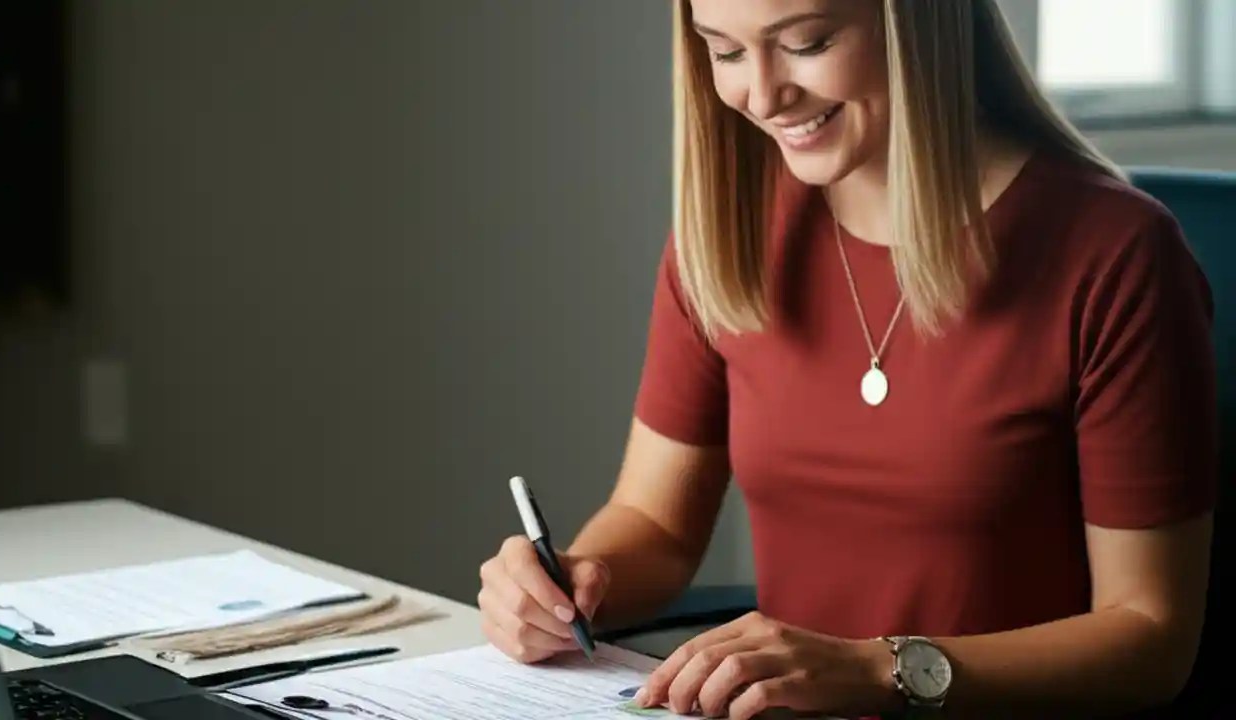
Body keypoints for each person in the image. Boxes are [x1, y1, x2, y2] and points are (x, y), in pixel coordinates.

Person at [476, 0, 1218, 718]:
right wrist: (569, 585)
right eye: (726, 51)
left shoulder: (1114, 255)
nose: (762, 94)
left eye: (807, 42)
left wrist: (879, 669)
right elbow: (655, 525)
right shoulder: (731, 230)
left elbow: (1150, 636)